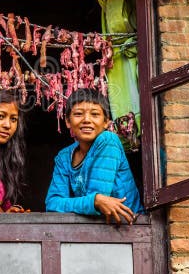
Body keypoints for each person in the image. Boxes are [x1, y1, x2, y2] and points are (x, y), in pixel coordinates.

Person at [45, 88, 143, 224]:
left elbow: (99, 201)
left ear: (106, 122)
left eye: (95, 114)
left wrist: (95, 200)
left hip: (131, 228)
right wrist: (95, 201)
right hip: (95, 229)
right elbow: (52, 204)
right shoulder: (64, 157)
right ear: (68, 121)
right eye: (78, 114)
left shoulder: (109, 140)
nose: (86, 120)